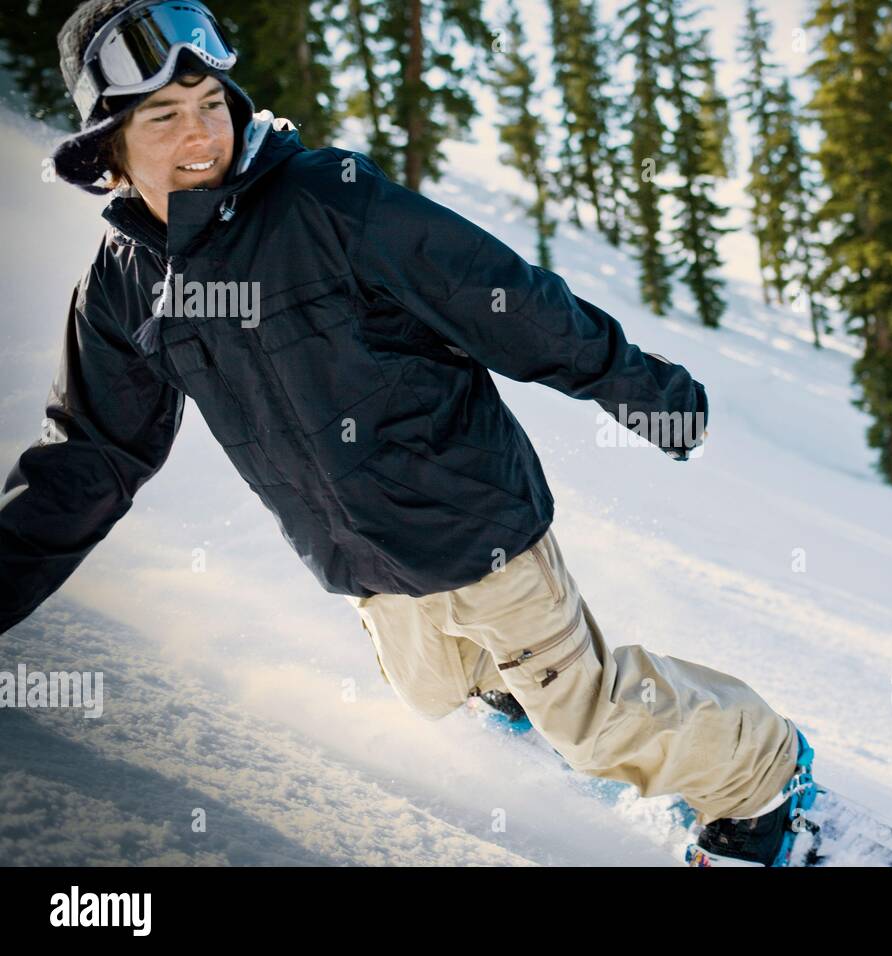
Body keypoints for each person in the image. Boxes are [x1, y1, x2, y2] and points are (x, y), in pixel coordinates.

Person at [0, 0, 818, 866]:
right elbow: (88, 460)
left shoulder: (323, 199)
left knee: (589, 721)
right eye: (163, 117)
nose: (201, 132)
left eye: (210, 102)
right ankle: (506, 688)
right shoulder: (126, 284)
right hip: (363, 563)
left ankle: (759, 775)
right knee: (431, 692)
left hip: (478, 526)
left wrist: (642, 390)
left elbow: (502, 300)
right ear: (110, 147)